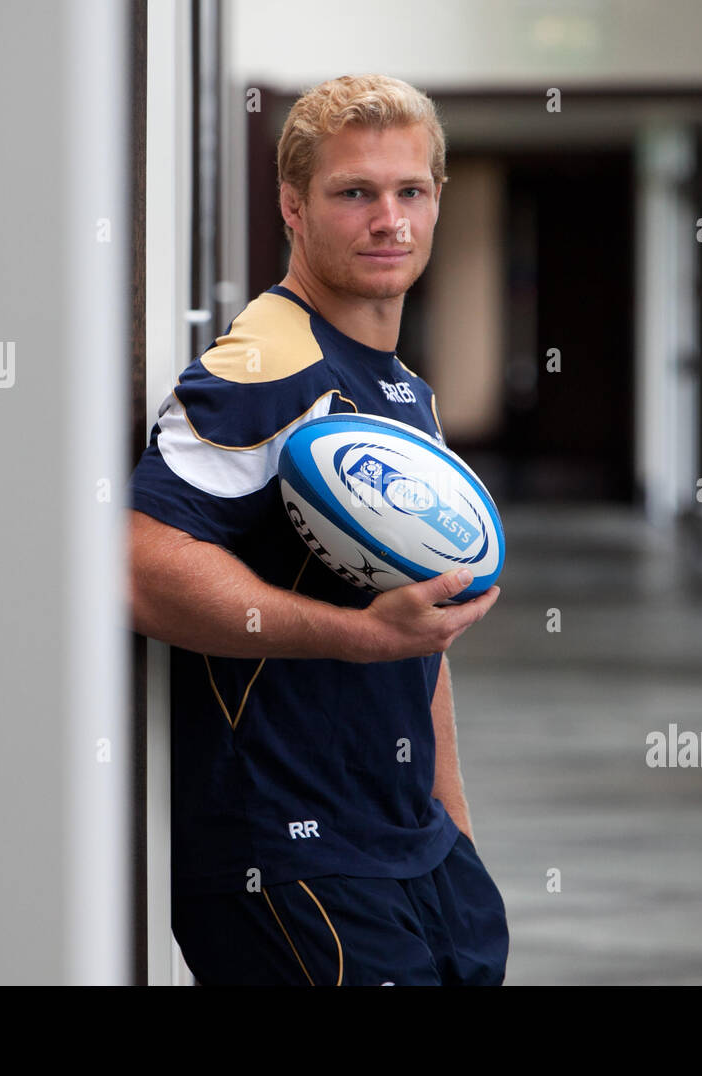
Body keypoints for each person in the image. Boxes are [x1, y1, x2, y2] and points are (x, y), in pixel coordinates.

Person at [127, 74, 508, 986]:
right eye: (354, 194)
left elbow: (425, 635)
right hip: (290, 856)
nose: (389, 219)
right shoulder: (267, 364)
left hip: (406, 844)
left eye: (409, 191)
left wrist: (449, 823)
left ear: (436, 201)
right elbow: (140, 568)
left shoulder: (401, 391)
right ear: (293, 207)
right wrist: (359, 637)